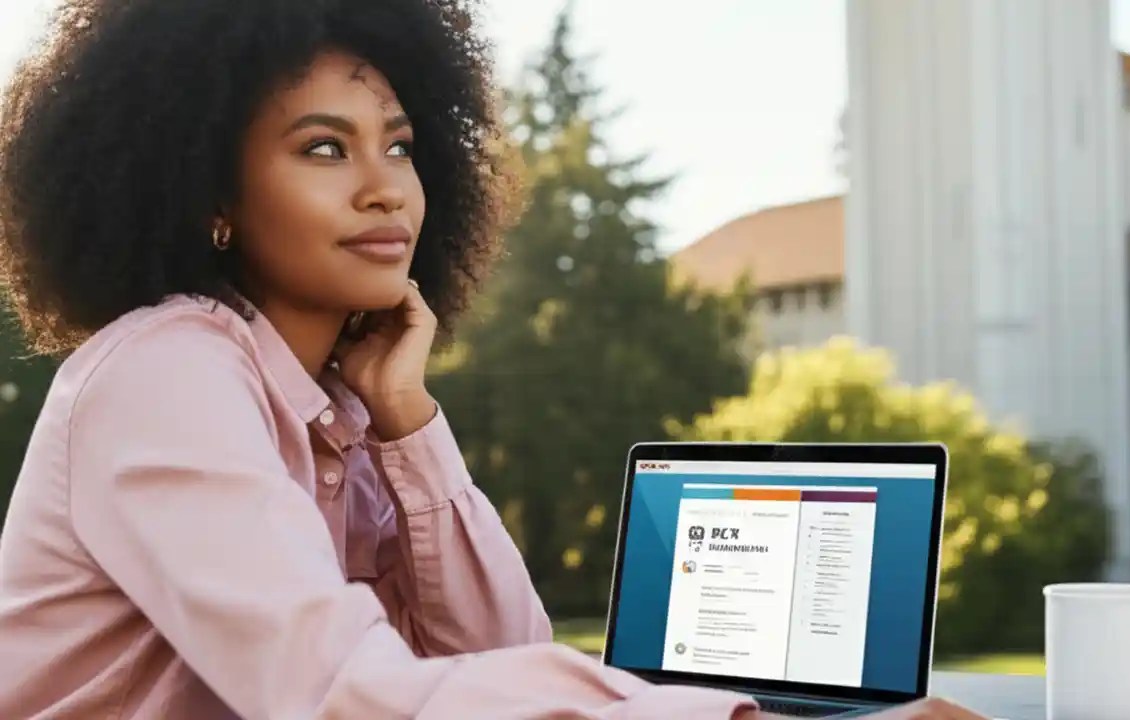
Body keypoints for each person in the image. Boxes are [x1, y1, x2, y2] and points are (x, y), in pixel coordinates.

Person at [0, 1, 987, 718]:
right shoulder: (166, 372)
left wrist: (408, 425)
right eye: (324, 149)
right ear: (208, 194)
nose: (386, 189)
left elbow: (497, 653)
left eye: (399, 145)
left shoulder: (335, 410)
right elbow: (340, 693)